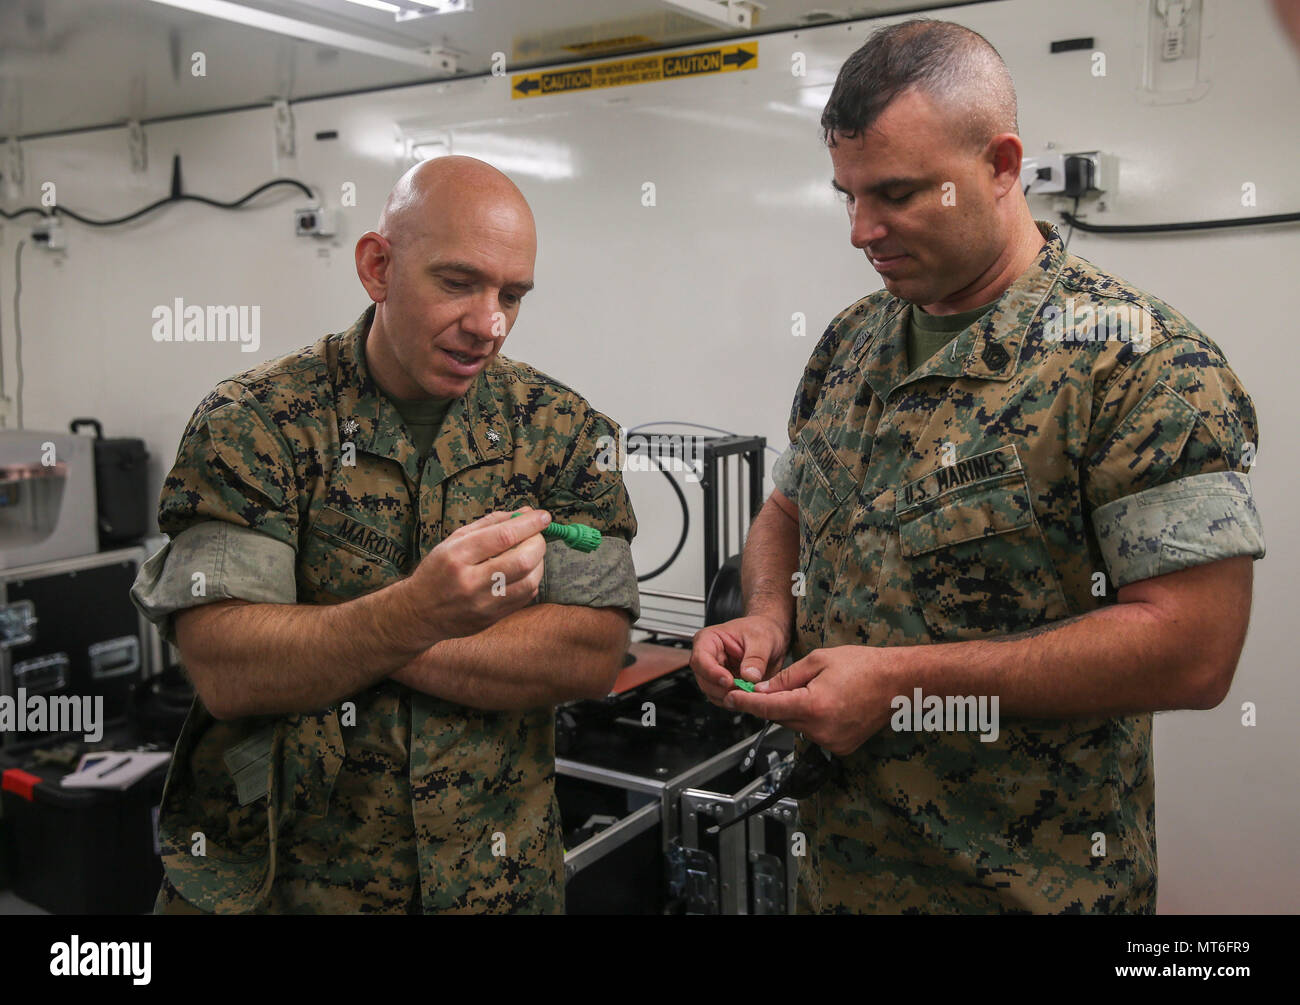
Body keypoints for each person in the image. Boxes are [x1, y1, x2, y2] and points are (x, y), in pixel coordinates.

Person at [690, 19, 1264, 914]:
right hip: (837, 877)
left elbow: (1195, 649)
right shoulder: (851, 340)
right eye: (846, 195)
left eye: (897, 194)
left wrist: (898, 683)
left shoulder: (1137, 362)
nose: (861, 230)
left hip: (1024, 889)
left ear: (1002, 166)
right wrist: (767, 617)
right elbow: (789, 511)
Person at [132, 156, 639, 914]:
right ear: (378, 266)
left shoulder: (561, 431)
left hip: (495, 887)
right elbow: (230, 668)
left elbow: (591, 652)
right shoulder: (256, 424)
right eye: (458, 282)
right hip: (288, 888)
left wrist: (341, 632)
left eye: (512, 295)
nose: (488, 323)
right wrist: (418, 611)